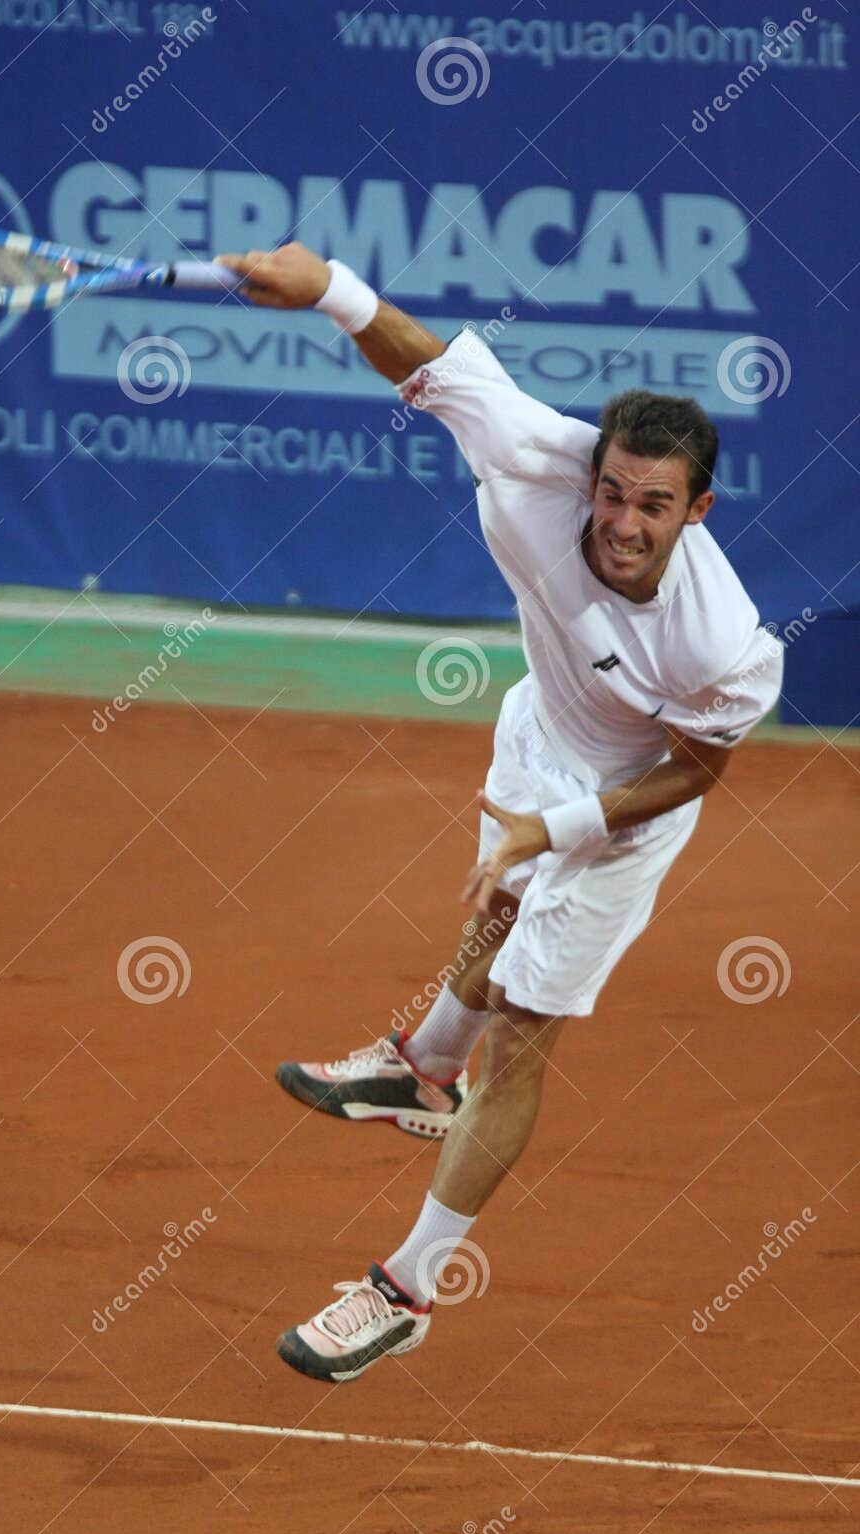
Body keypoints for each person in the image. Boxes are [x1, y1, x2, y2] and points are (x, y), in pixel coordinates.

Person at [216, 243, 784, 1385]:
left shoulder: (723, 644)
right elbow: (422, 362)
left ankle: (405, 1290)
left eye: (655, 505)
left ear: (698, 510)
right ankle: (422, 1070)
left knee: (521, 1033)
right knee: (493, 916)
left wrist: (555, 832)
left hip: (624, 812)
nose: (622, 521)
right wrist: (327, 286)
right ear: (591, 475)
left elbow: (693, 773)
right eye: (612, 492)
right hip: (539, 730)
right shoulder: (536, 457)